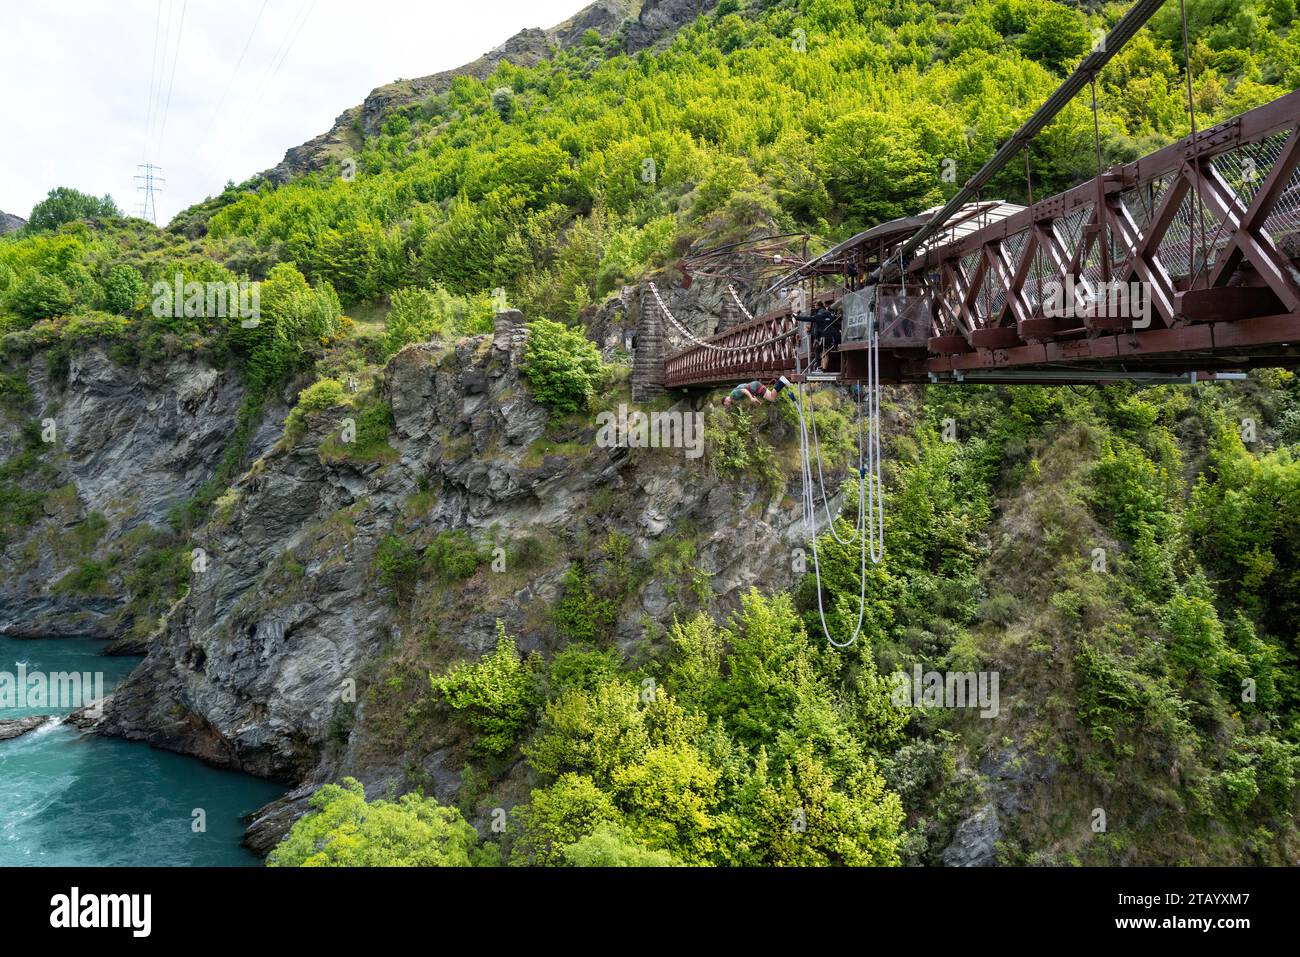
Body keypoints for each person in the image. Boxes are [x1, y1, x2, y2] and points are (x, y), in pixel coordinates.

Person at [796, 303, 841, 370]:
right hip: (832, 337)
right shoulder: (830, 317)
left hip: (824, 336)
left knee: (819, 351)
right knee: (825, 351)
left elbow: (807, 319)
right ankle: (823, 367)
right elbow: (838, 325)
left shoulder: (818, 316)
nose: (814, 307)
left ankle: (820, 366)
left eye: (815, 306)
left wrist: (797, 317)